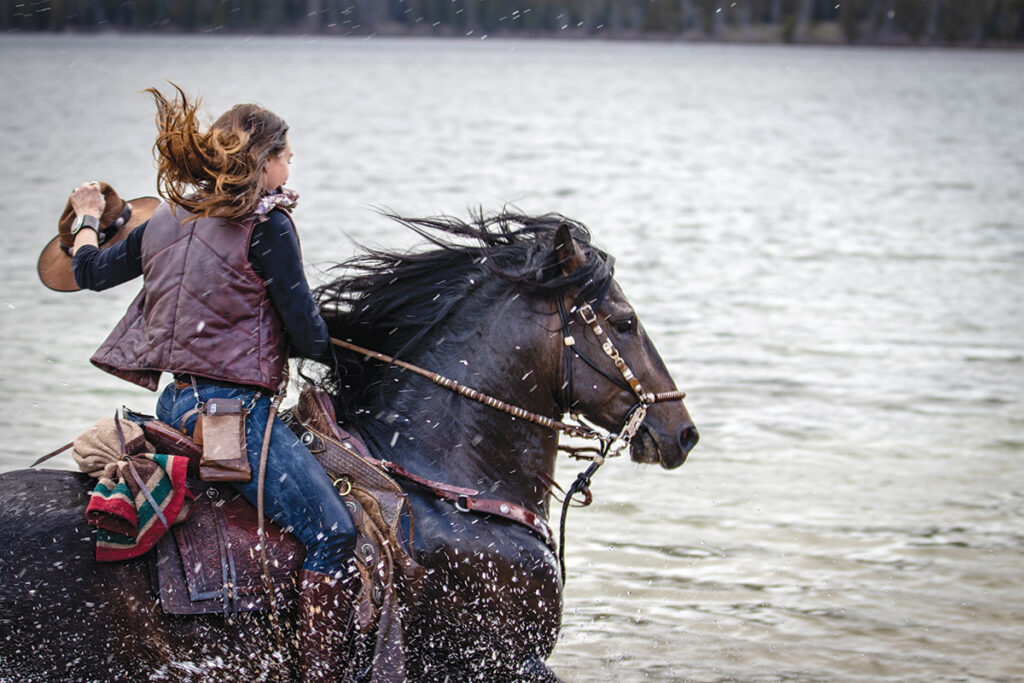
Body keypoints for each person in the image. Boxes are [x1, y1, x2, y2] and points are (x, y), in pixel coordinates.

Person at [67, 85, 356, 681]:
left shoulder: (163, 220)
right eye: (287, 154)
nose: (291, 161)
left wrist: (89, 219)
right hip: (236, 418)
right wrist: (343, 356)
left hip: (173, 410)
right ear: (265, 159)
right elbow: (303, 328)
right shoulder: (268, 224)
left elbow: (90, 273)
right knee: (334, 531)